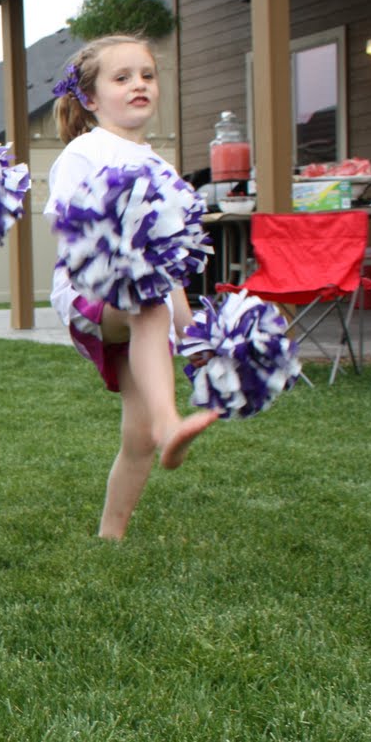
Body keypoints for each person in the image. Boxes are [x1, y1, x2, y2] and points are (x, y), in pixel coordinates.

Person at [45, 34, 218, 540]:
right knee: (146, 305)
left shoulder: (163, 169)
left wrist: (196, 339)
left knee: (137, 435)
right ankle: (171, 422)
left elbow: (171, 272)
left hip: (145, 303)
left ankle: (111, 534)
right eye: (122, 78)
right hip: (88, 291)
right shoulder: (86, 151)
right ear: (92, 98)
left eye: (146, 75)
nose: (138, 85)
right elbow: (68, 228)